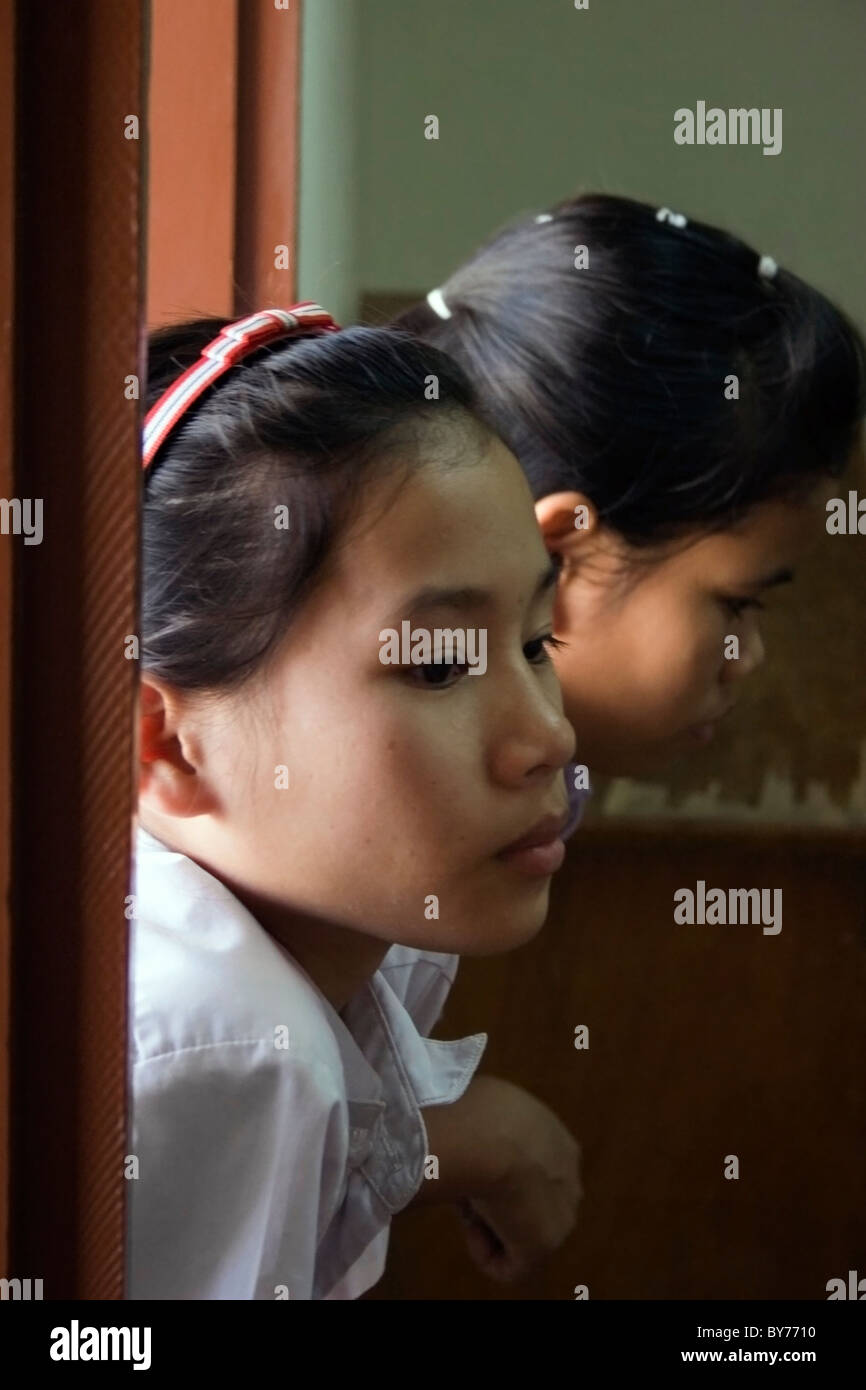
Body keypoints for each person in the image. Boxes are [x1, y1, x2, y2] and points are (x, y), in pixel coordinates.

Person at [128, 305, 581, 1300]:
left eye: (537, 643)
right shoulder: (225, 1044)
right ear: (168, 742)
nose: (549, 736)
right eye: (433, 668)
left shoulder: (380, 940)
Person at [393, 193, 866, 804]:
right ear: (558, 558)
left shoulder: (522, 794)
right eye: (736, 604)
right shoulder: (414, 832)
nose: (746, 657)